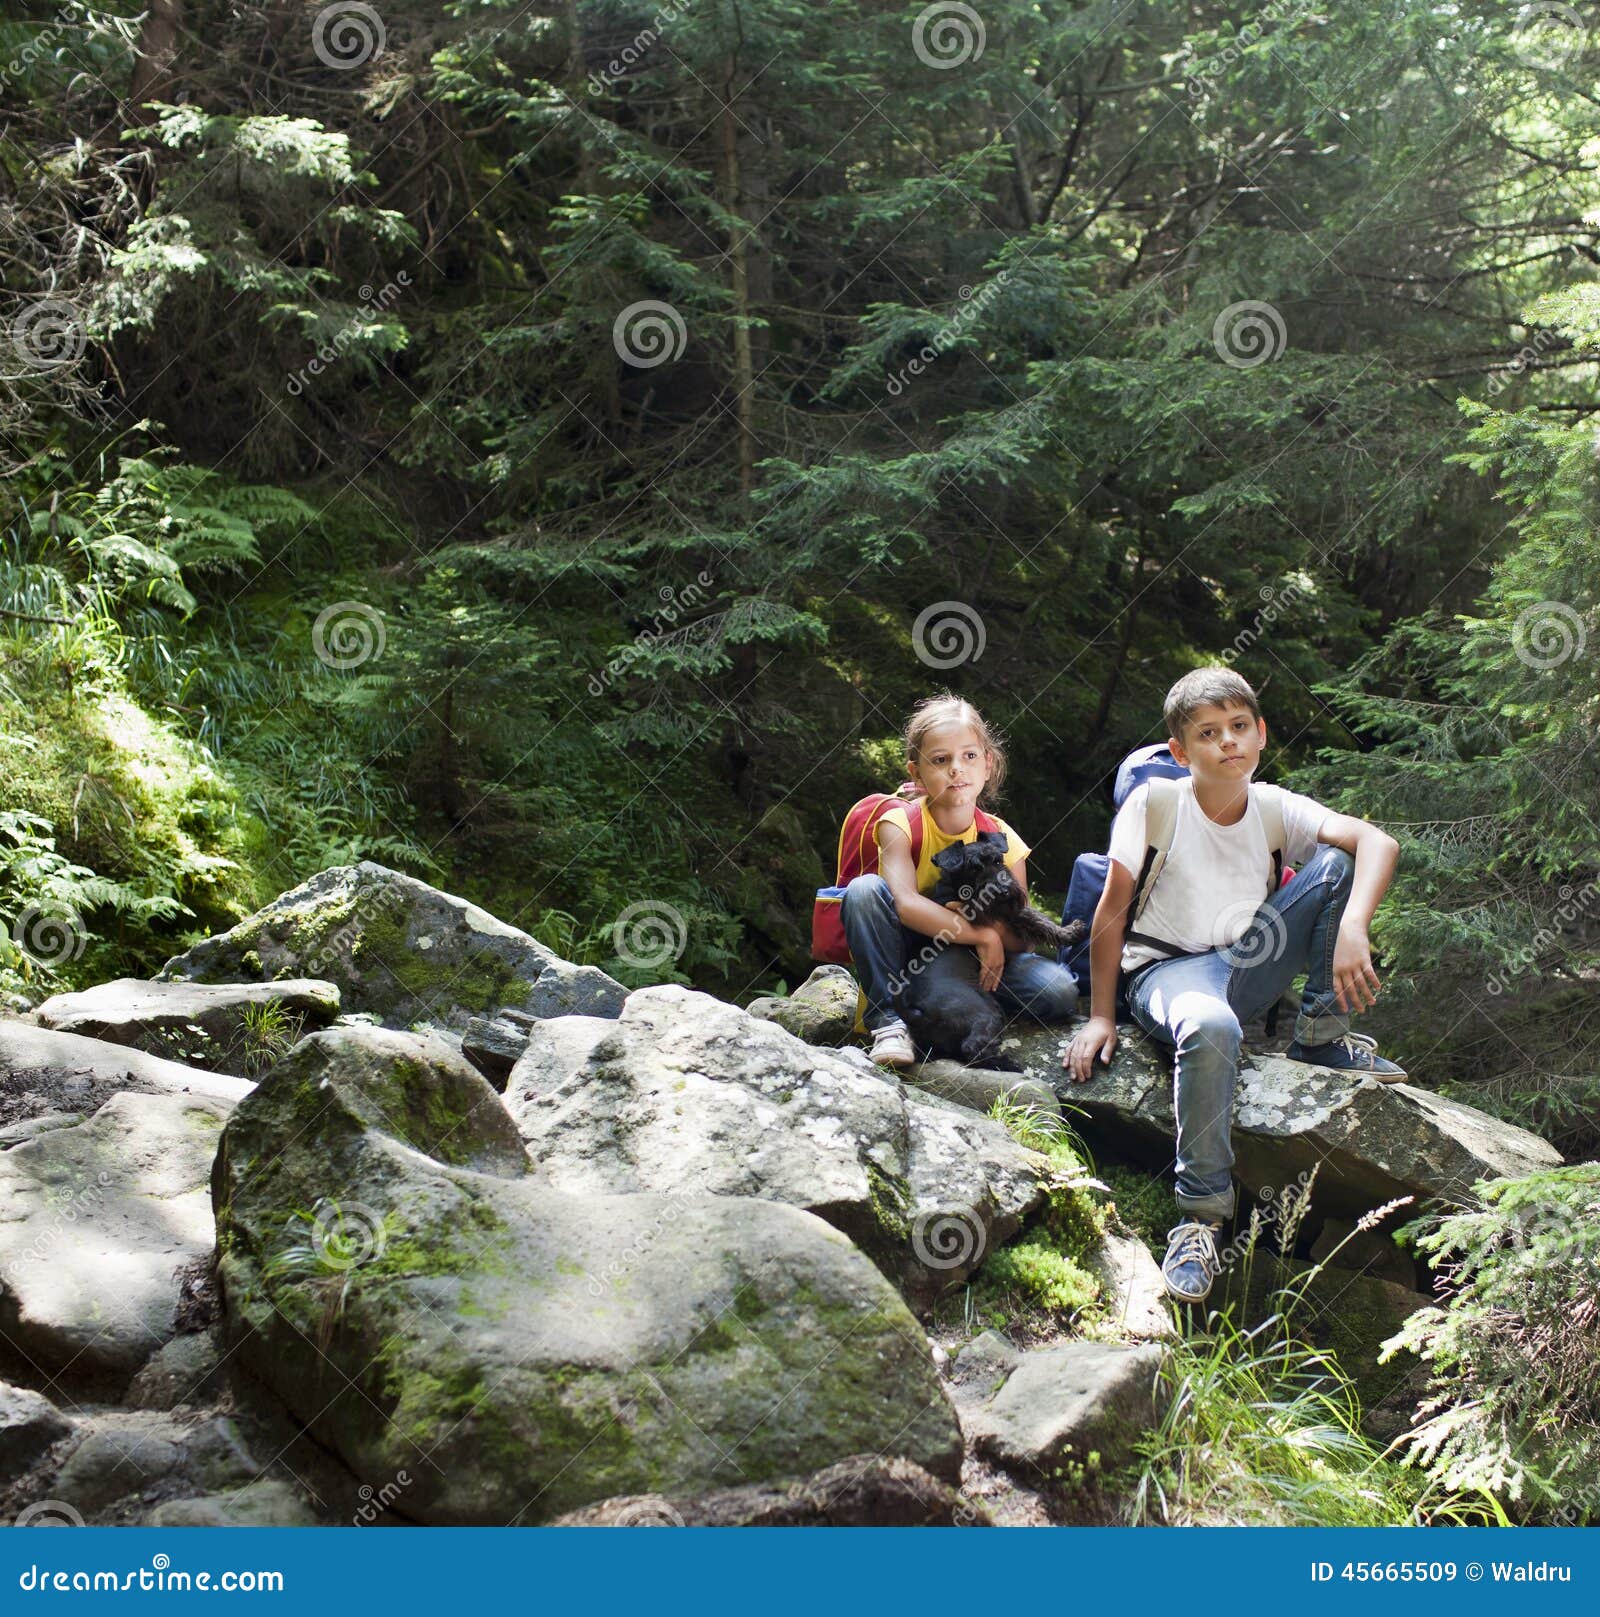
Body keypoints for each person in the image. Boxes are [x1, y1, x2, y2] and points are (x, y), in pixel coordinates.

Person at [1061, 666, 1404, 1305]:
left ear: (1261, 733)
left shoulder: (1272, 805)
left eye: (1239, 727)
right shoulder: (1156, 804)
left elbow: (1375, 841)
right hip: (1165, 969)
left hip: (1246, 961)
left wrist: (1354, 923)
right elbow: (1112, 912)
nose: (1228, 743)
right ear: (1180, 751)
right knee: (1213, 1026)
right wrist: (1102, 1016)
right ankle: (1200, 1219)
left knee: (1337, 863)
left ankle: (1322, 1039)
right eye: (1209, 733)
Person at [842, 693, 1079, 1067]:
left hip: (971, 961)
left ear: (988, 764)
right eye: (940, 760)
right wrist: (979, 933)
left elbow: (1022, 935)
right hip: (908, 954)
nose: (957, 769)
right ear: (916, 772)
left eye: (969, 756)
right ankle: (888, 1020)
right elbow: (904, 903)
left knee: (1060, 990)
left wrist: (990, 932)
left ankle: (966, 1008)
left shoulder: (1002, 837)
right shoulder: (899, 824)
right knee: (863, 891)